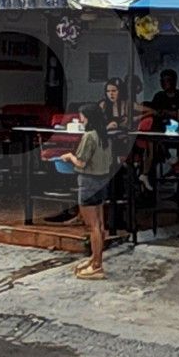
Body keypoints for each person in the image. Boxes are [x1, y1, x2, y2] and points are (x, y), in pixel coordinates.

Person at [69, 99, 115, 278]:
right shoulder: (105, 135)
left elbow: (81, 161)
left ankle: (97, 265)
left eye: (82, 117)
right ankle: (96, 258)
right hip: (102, 180)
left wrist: (69, 156)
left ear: (88, 118)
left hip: (88, 181)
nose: (81, 120)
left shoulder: (89, 136)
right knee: (100, 224)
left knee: (93, 226)